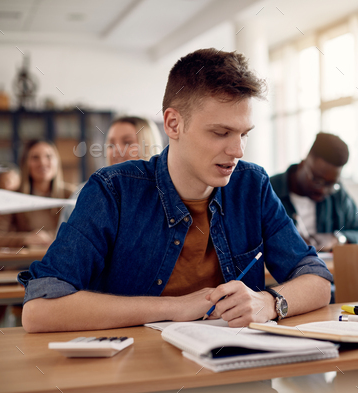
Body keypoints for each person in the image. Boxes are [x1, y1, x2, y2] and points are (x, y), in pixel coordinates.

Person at [19, 48, 332, 333]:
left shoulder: (252, 186)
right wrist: (175, 308)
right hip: (138, 373)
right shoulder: (113, 191)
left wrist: (269, 303)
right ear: (172, 124)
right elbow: (39, 311)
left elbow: (317, 279)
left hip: (235, 368)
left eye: (244, 134)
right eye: (221, 132)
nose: (237, 150)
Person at [270, 132, 358, 251]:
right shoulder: (268, 190)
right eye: (317, 180)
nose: (323, 190)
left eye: (331, 184)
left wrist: (337, 239)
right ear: (303, 163)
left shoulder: (338, 195)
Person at [58, 115, 164, 226]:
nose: (116, 150)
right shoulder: (84, 192)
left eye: (127, 142)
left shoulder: (164, 195)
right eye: (111, 144)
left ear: (148, 145)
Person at [0, 140, 74, 248]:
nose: (42, 162)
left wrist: (51, 236)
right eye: (35, 157)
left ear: (57, 162)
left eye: (49, 156)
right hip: (26, 263)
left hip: (62, 261)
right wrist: (27, 238)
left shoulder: (71, 195)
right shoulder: (12, 197)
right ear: (25, 163)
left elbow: (84, 232)